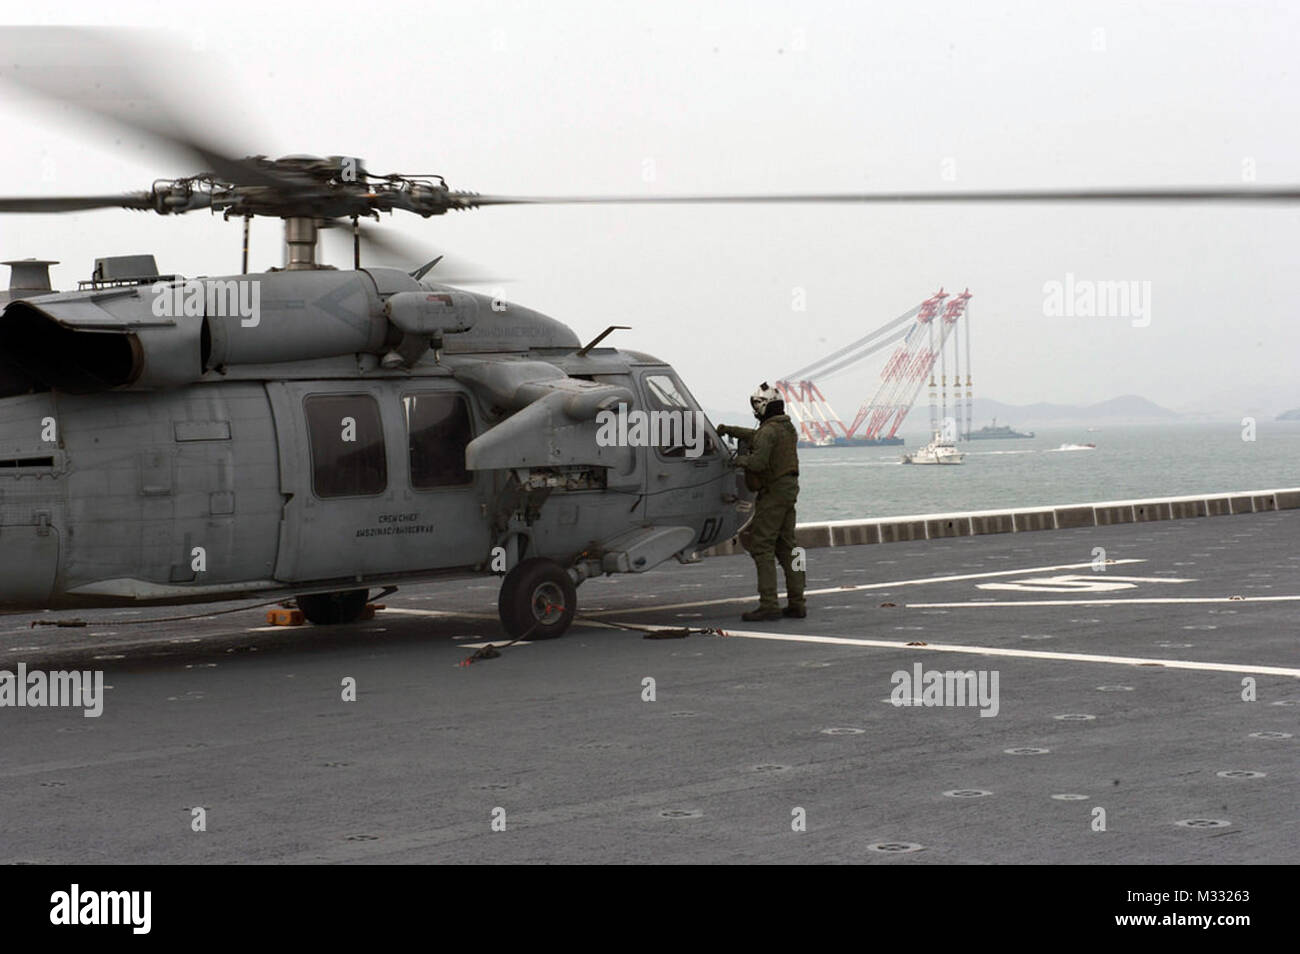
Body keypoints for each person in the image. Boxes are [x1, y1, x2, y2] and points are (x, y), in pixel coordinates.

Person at [716, 383, 807, 621]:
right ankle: (798, 602)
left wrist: (739, 461)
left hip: (774, 493)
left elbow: (758, 463)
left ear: (763, 405)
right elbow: (756, 435)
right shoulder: (787, 429)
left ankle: (769, 604)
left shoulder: (769, 431)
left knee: (762, 546)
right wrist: (730, 430)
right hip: (789, 491)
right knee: (790, 548)